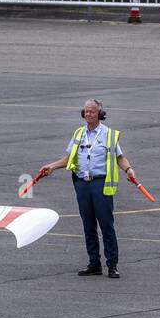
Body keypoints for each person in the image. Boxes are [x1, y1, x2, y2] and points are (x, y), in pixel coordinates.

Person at [36, 99, 135, 278]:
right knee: (88, 224)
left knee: (106, 225)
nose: (88, 114)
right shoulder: (79, 133)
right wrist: (51, 166)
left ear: (99, 114)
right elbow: (68, 158)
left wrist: (128, 170)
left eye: (92, 111)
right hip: (82, 183)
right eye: (86, 111)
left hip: (100, 183)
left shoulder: (109, 135)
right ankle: (94, 263)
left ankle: (112, 264)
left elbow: (120, 157)